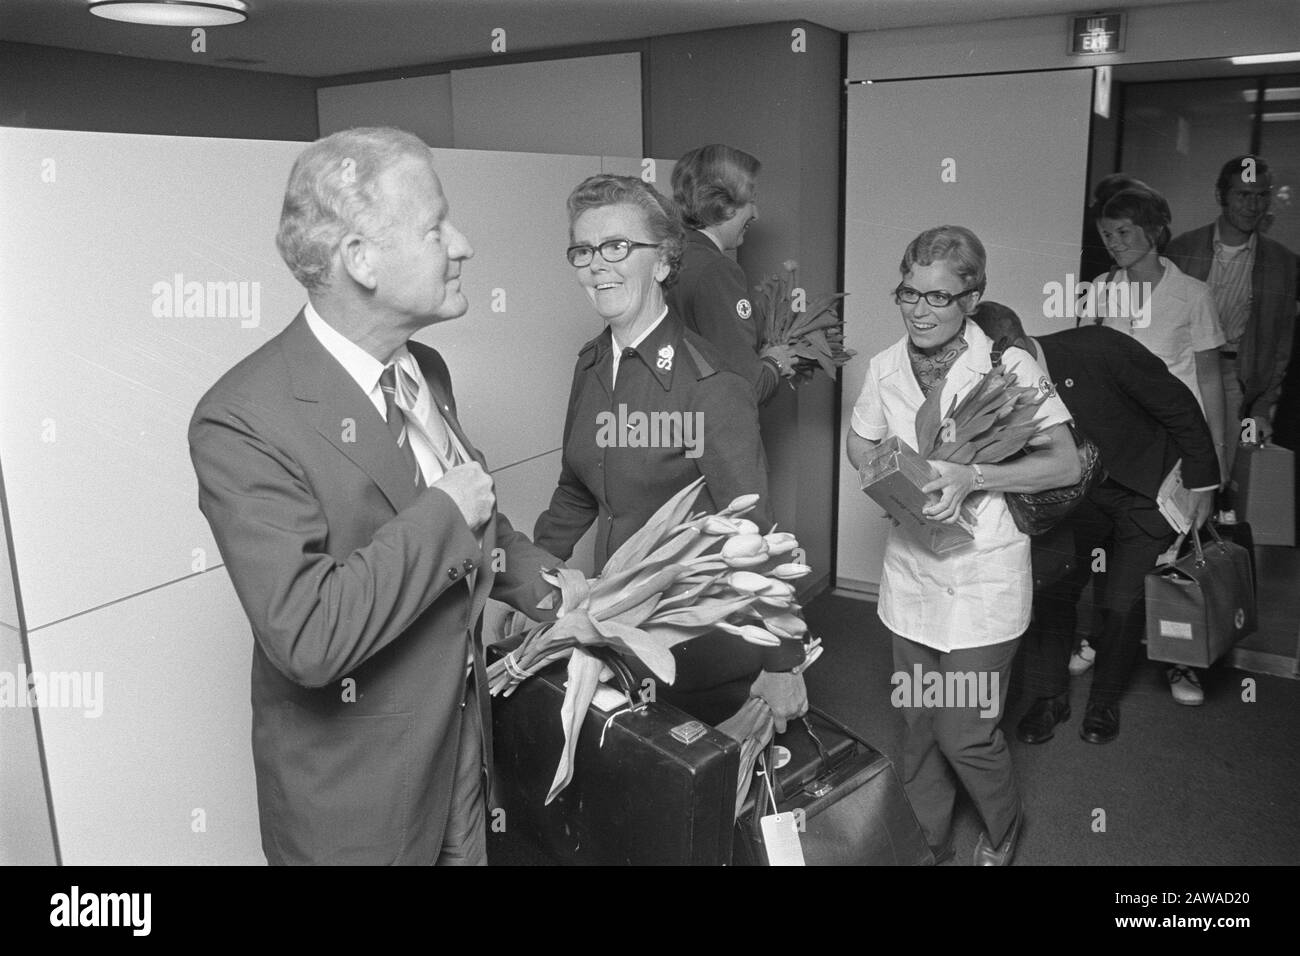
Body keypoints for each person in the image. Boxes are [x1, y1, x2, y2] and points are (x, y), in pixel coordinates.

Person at [188, 127, 564, 865]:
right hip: (358, 800)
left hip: (461, 756)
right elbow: (308, 635)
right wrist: (447, 512)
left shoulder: (423, 366)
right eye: (434, 228)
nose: (462, 245)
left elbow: (476, 510)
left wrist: (556, 591)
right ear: (360, 259)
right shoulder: (242, 419)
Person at [533, 173, 807, 730]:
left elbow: (757, 528)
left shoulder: (710, 384)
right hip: (620, 630)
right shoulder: (590, 366)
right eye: (584, 250)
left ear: (662, 262)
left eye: (617, 246)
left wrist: (784, 663)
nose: (597, 264)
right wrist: (528, 582)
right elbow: (575, 490)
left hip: (700, 644)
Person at [845, 226, 1079, 866]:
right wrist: (890, 470)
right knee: (920, 725)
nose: (918, 310)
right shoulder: (885, 365)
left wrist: (973, 476)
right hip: (914, 570)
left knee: (964, 733)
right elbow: (860, 442)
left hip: (983, 577)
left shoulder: (1009, 366)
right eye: (907, 293)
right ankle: (928, 838)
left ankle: (1003, 828)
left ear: (972, 299)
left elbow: (1063, 464)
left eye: (938, 298)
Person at [972, 303, 1218, 745]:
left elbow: (1180, 406)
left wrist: (1204, 484)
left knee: (1123, 604)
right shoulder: (989, 387)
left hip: (1144, 491)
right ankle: (1049, 698)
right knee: (1051, 591)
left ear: (1012, 345)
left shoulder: (1098, 348)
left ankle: (1103, 702)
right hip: (1071, 502)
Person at [1088, 185, 1231, 706]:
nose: (1115, 243)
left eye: (1124, 232)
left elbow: (1211, 384)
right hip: (1116, 450)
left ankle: (1182, 661)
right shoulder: (1102, 288)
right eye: (1107, 234)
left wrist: (1211, 469)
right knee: (1110, 552)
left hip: (1175, 451)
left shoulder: (1192, 294)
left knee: (1178, 555)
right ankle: (1098, 637)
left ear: (1155, 231)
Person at [1165, 155, 1297, 469]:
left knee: (1220, 470)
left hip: (1236, 378)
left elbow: (1280, 346)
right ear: (1220, 196)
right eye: (1243, 194)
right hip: (1183, 372)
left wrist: (1262, 407)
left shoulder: (1282, 263)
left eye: (1261, 195)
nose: (1253, 205)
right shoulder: (1182, 250)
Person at [667, 145, 801, 404]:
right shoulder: (716, 271)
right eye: (751, 200)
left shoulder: (672, 258)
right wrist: (775, 361)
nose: (756, 213)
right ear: (724, 204)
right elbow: (747, 387)